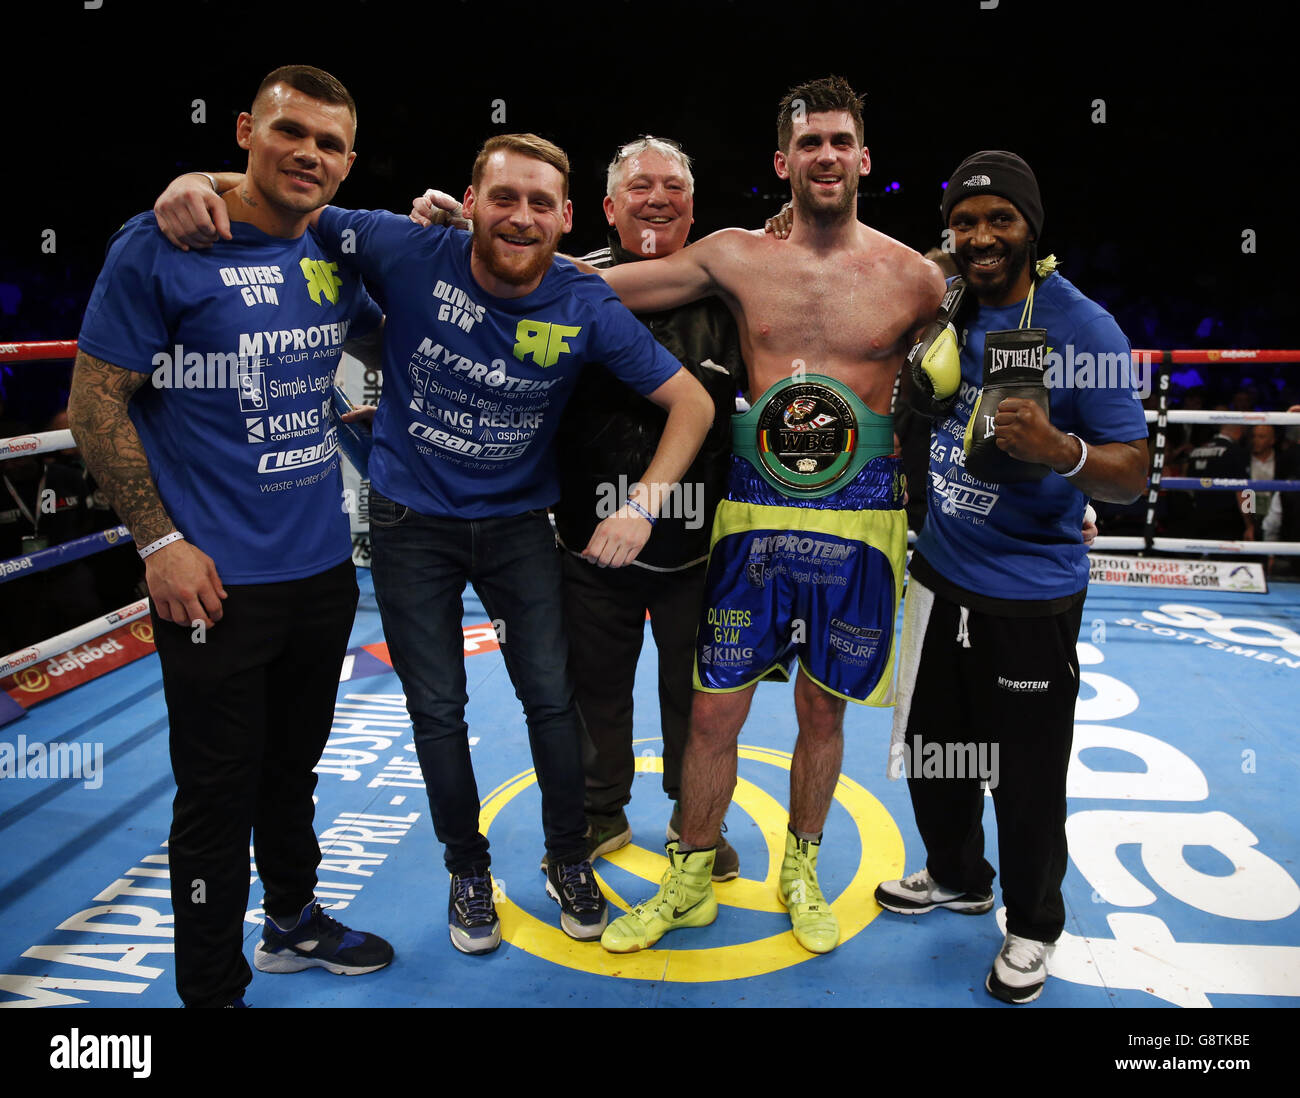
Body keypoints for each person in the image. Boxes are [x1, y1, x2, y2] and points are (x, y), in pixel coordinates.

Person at [154, 132, 714, 956]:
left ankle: (568, 859)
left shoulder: (585, 299)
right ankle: (467, 871)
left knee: (553, 703)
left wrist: (643, 504)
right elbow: (289, 196)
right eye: (503, 197)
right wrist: (195, 175)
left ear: (565, 217)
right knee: (438, 711)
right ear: (471, 202)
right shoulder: (405, 245)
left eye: (537, 202)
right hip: (412, 523)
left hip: (523, 524)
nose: (520, 217)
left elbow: (693, 402)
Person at [569, 76, 947, 956]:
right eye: (808, 142)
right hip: (751, 511)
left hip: (861, 522)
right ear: (782, 161)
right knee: (711, 714)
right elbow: (607, 286)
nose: (825, 155)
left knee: (824, 712)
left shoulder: (915, 277)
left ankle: (801, 870)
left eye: (839, 141)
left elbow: (986, 360)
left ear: (863, 157)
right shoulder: (736, 255)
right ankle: (690, 876)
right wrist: (471, 244)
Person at [68, 65, 394, 1008]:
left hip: (322, 569)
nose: (309, 154)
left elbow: (391, 332)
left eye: (331, 144)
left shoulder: (336, 250)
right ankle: (211, 991)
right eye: (291, 132)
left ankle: (292, 921)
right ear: (247, 130)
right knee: (214, 798)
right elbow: (94, 406)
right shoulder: (160, 243)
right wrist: (158, 541)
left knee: (290, 773)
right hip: (211, 578)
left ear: (347, 165)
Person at [873, 151, 1149, 1004]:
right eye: (966, 220)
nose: (982, 236)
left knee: (1027, 779)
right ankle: (957, 875)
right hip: (938, 576)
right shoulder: (948, 297)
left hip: (1030, 596)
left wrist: (1063, 453)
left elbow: (1134, 469)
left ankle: (1032, 926)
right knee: (931, 756)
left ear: (1032, 225)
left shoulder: (1083, 329)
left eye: (1000, 219)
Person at [518, 137, 746, 877]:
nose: (657, 196)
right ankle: (598, 814)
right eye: (639, 185)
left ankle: (695, 817)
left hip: (701, 545)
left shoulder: (731, 294)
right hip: (589, 538)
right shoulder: (559, 284)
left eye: (672, 185)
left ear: (691, 204)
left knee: (700, 699)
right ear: (609, 207)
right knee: (595, 690)